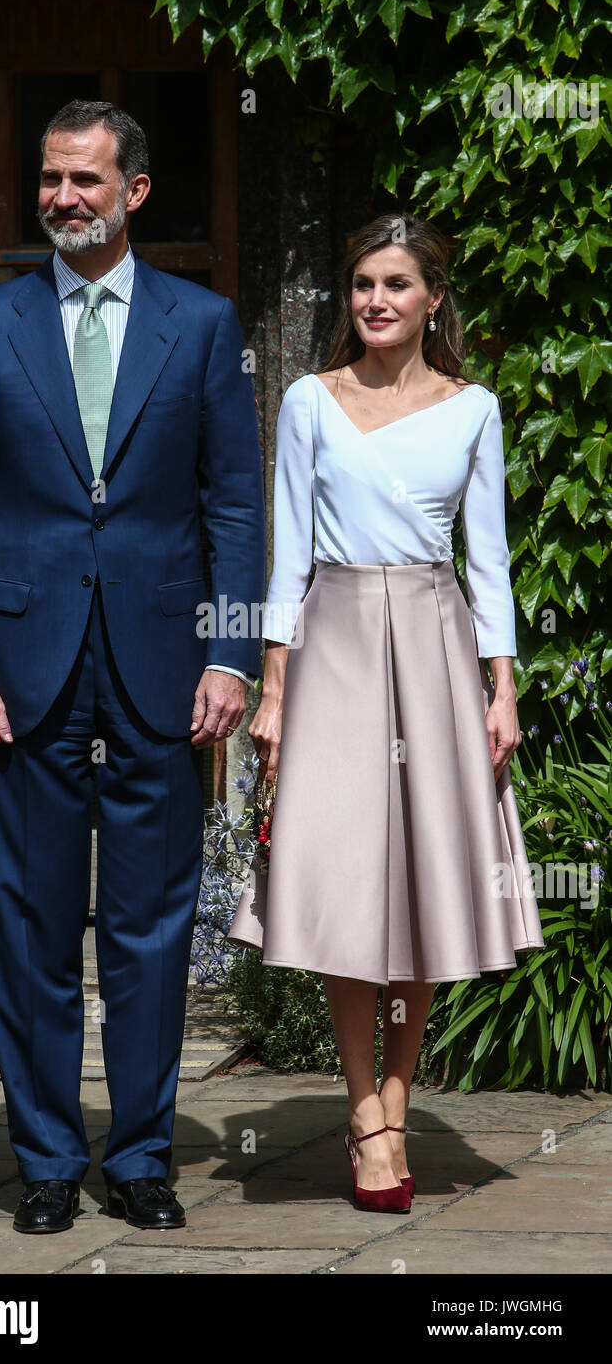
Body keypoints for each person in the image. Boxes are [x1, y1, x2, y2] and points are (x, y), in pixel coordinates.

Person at [0, 100, 265, 1233]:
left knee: (152, 925)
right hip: (19, 673)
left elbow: (232, 506)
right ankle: (47, 1161)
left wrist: (228, 651)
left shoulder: (203, 325)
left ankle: (145, 1157)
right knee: (27, 922)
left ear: (136, 191)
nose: (65, 197)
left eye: (86, 179)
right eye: (51, 180)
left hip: (166, 670)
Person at [228, 212, 544, 1214]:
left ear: (431, 300)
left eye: (395, 285)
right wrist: (272, 682)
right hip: (331, 646)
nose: (374, 301)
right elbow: (284, 549)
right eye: (361, 283)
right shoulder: (307, 402)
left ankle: (393, 1108)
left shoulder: (473, 411)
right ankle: (363, 1110)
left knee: (419, 894)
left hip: (436, 644)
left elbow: (485, 562)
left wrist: (502, 687)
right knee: (343, 891)